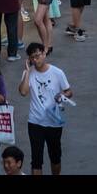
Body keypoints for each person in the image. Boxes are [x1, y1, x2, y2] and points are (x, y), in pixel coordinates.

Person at [18, 42, 72, 177]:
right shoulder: (28, 73)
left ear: (44, 54)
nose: (36, 60)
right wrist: (27, 71)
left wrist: (62, 95)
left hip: (54, 121)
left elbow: (69, 91)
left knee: (55, 156)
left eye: (38, 56)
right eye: (32, 57)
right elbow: (23, 92)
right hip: (35, 121)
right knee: (36, 160)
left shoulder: (57, 72)